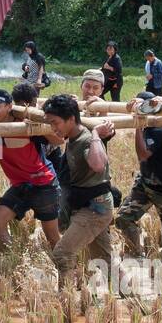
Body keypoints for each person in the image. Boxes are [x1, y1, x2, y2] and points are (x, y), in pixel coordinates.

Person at [41, 94, 114, 292]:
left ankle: (64, 302)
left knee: (62, 254)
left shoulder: (86, 139)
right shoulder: (73, 138)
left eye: (55, 123)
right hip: (89, 206)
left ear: (71, 119)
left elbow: (98, 165)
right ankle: (134, 301)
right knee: (104, 261)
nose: (53, 128)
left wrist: (97, 134)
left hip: (95, 208)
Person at [0, 88, 65, 251]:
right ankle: (11, 259)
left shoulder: (25, 126)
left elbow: (59, 141)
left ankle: (70, 270)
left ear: (9, 106)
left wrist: (39, 127)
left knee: (52, 237)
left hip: (44, 183)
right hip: (20, 184)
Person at [112, 92, 162, 256]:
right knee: (124, 218)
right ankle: (136, 254)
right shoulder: (148, 127)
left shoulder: (158, 129)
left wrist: (138, 126)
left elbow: (143, 155)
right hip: (145, 183)